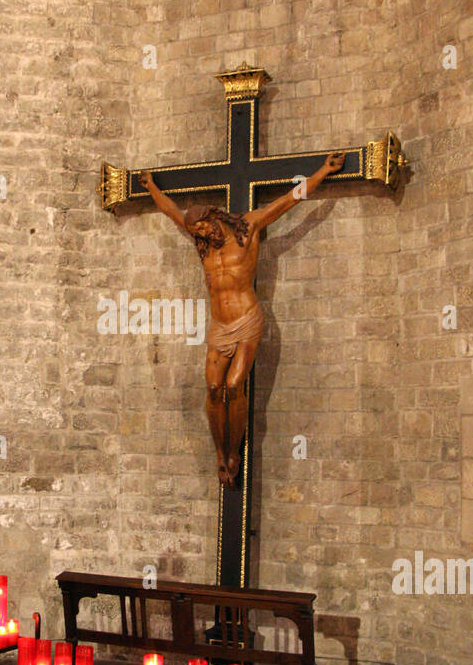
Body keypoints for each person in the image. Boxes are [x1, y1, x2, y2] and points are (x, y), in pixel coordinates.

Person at [140, 152, 344, 485]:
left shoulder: (247, 228)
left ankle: (234, 451)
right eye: (196, 232)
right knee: (212, 387)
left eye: (203, 228)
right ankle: (220, 455)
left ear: (212, 217)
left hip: (247, 320)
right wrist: (151, 187)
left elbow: (289, 200)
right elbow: (170, 211)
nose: (200, 235)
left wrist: (322, 171)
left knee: (234, 385)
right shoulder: (200, 240)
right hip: (219, 326)